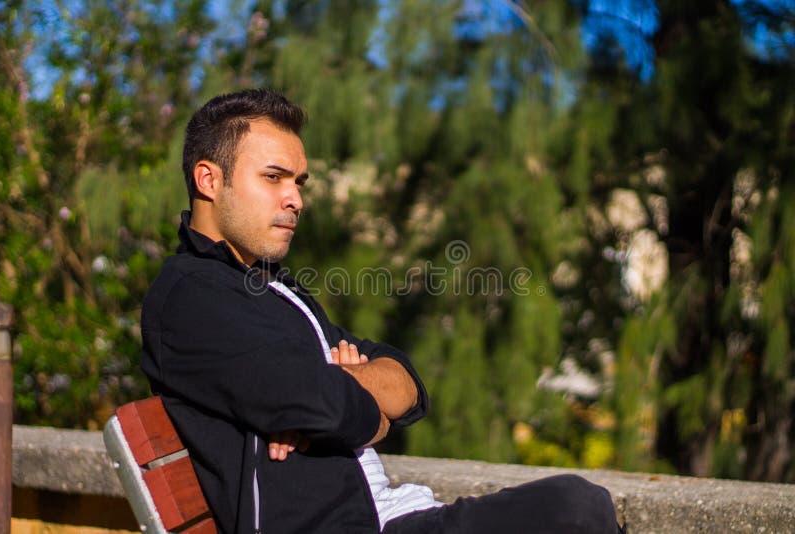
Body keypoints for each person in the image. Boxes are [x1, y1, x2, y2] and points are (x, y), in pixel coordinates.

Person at [140, 88, 623, 533]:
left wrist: (344, 394)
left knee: (580, 504)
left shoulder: (273, 288)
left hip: (393, 512)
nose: (296, 199)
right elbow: (320, 404)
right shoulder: (191, 296)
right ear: (209, 179)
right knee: (575, 510)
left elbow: (407, 384)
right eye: (273, 177)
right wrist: (369, 415)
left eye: (299, 181)